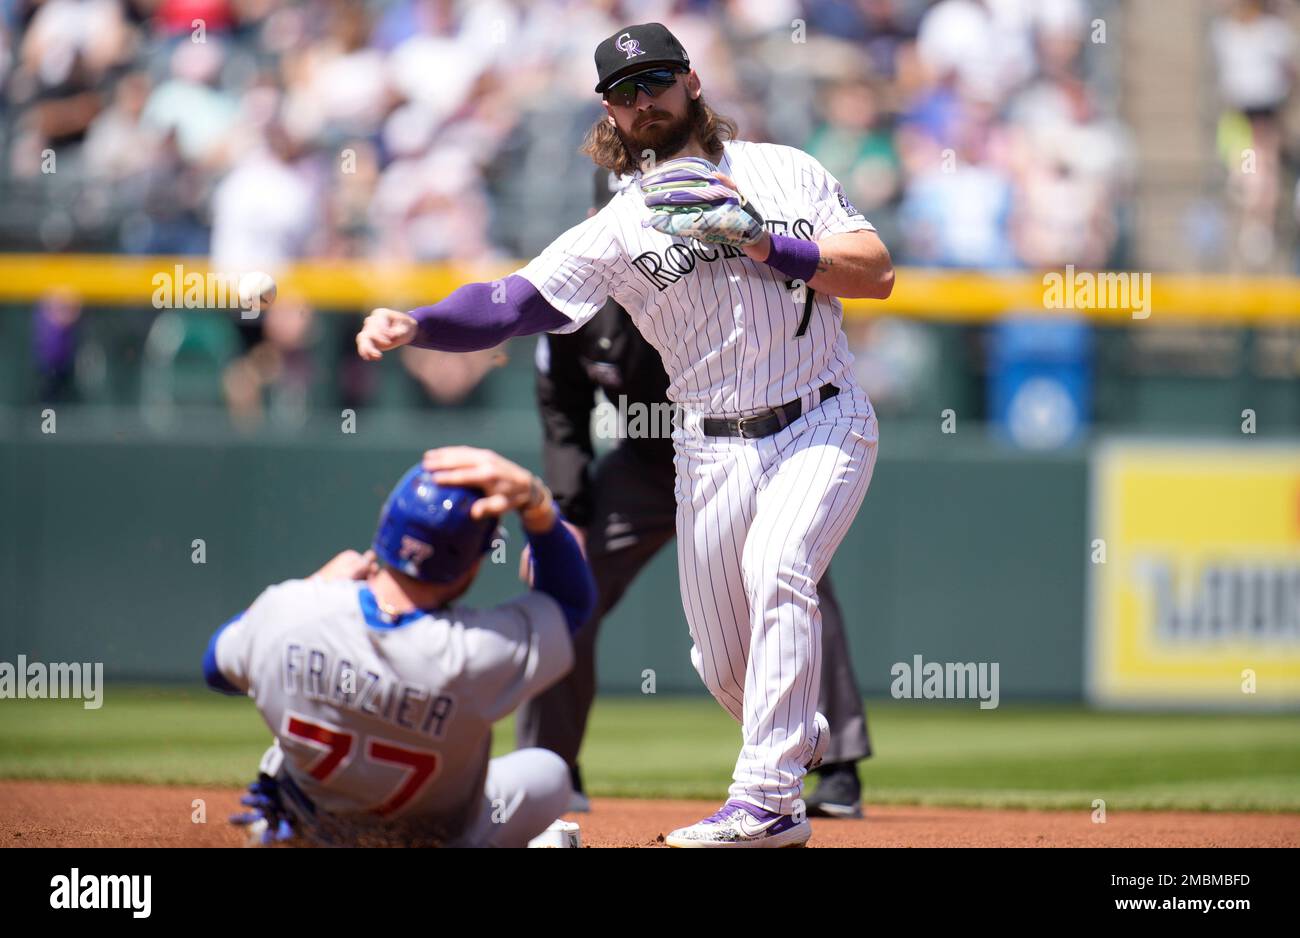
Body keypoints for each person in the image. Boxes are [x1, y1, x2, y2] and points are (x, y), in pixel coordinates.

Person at [355, 22, 892, 847]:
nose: (646, 101)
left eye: (658, 82)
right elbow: (508, 304)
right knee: (720, 666)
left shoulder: (785, 169)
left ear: (693, 84)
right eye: (626, 92)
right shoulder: (619, 223)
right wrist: (418, 323)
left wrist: (764, 240)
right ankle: (797, 740)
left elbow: (876, 270)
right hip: (706, 448)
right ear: (609, 111)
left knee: (778, 566)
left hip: (821, 414)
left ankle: (768, 802)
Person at [514, 170, 872, 819]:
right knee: (562, 584)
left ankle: (835, 763)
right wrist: (565, 514)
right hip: (648, 466)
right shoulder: (580, 286)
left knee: (792, 573)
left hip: (747, 447)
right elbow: (561, 410)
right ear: (602, 212)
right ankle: (551, 767)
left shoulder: (714, 264)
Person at [202, 448, 596, 847]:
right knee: (549, 774)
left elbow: (216, 669)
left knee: (288, 740)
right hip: (428, 837)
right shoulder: (475, 652)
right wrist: (537, 504)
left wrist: (316, 583)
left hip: (317, 819)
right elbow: (571, 605)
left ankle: (283, 822)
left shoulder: (293, 609)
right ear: (472, 563)